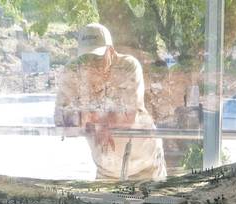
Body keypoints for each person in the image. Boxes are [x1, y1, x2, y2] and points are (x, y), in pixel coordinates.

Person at [54, 23, 166, 181]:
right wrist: (99, 120)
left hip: (145, 164)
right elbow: (61, 121)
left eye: (97, 57)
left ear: (111, 51)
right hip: (106, 168)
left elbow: (127, 116)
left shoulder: (128, 66)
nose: (91, 62)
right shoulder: (72, 71)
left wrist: (87, 117)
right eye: (86, 57)